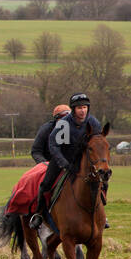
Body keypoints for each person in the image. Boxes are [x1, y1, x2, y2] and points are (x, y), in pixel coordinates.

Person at [30, 93, 101, 234]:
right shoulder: (64, 124)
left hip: (83, 162)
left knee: (101, 182)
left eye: (85, 107)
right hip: (63, 160)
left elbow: (98, 143)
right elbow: (53, 145)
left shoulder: (93, 123)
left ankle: (101, 215)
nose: (83, 111)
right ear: (74, 109)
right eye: (80, 108)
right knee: (45, 184)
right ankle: (39, 214)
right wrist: (63, 163)